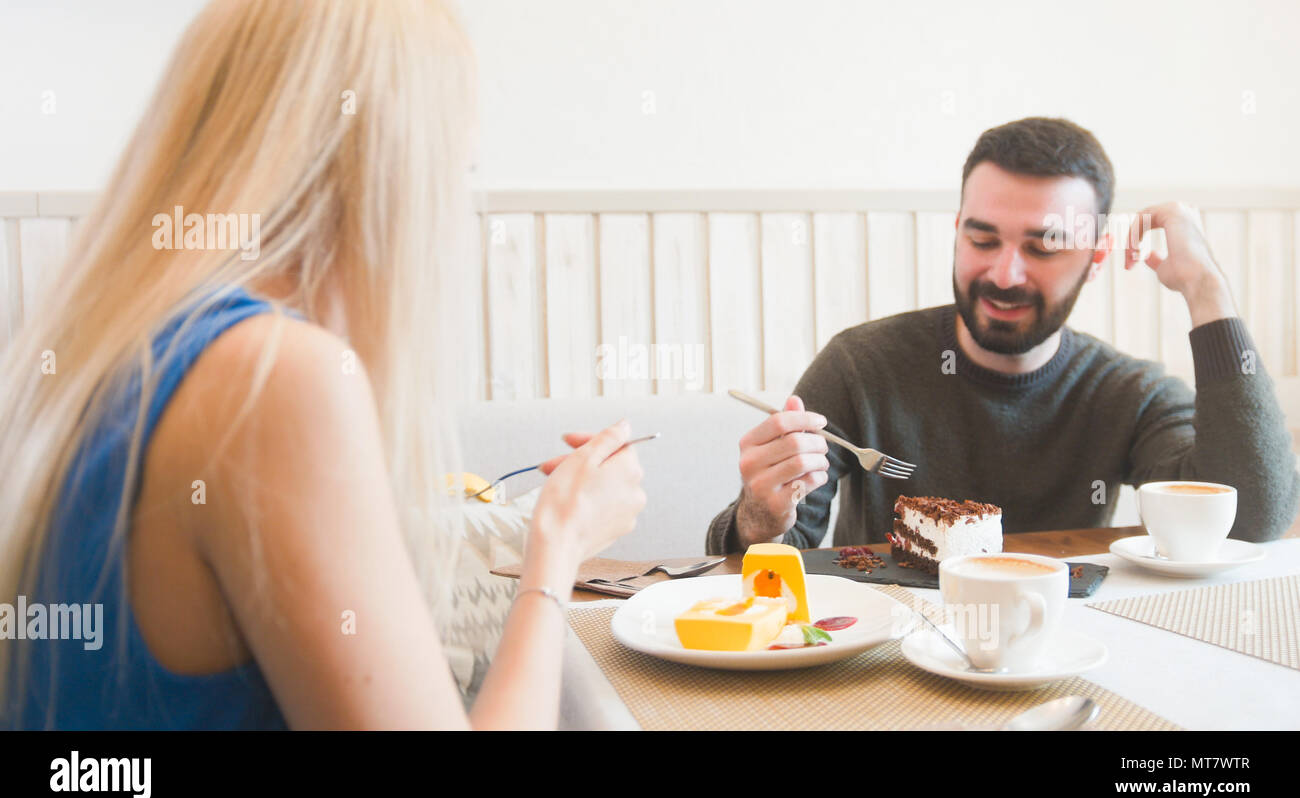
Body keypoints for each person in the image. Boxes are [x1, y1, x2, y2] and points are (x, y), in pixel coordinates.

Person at [0, 0, 645, 730]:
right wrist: (555, 550)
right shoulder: (272, 379)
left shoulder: (122, 349)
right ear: (387, 172)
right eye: (455, 169)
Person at [707, 117, 1299, 554]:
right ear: (957, 232)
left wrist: (1209, 293)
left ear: (1096, 258)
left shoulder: (1128, 393)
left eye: (1043, 246)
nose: (1004, 274)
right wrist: (758, 518)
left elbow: (1253, 521)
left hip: (1066, 656)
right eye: (983, 240)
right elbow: (769, 561)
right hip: (885, 656)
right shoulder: (862, 366)